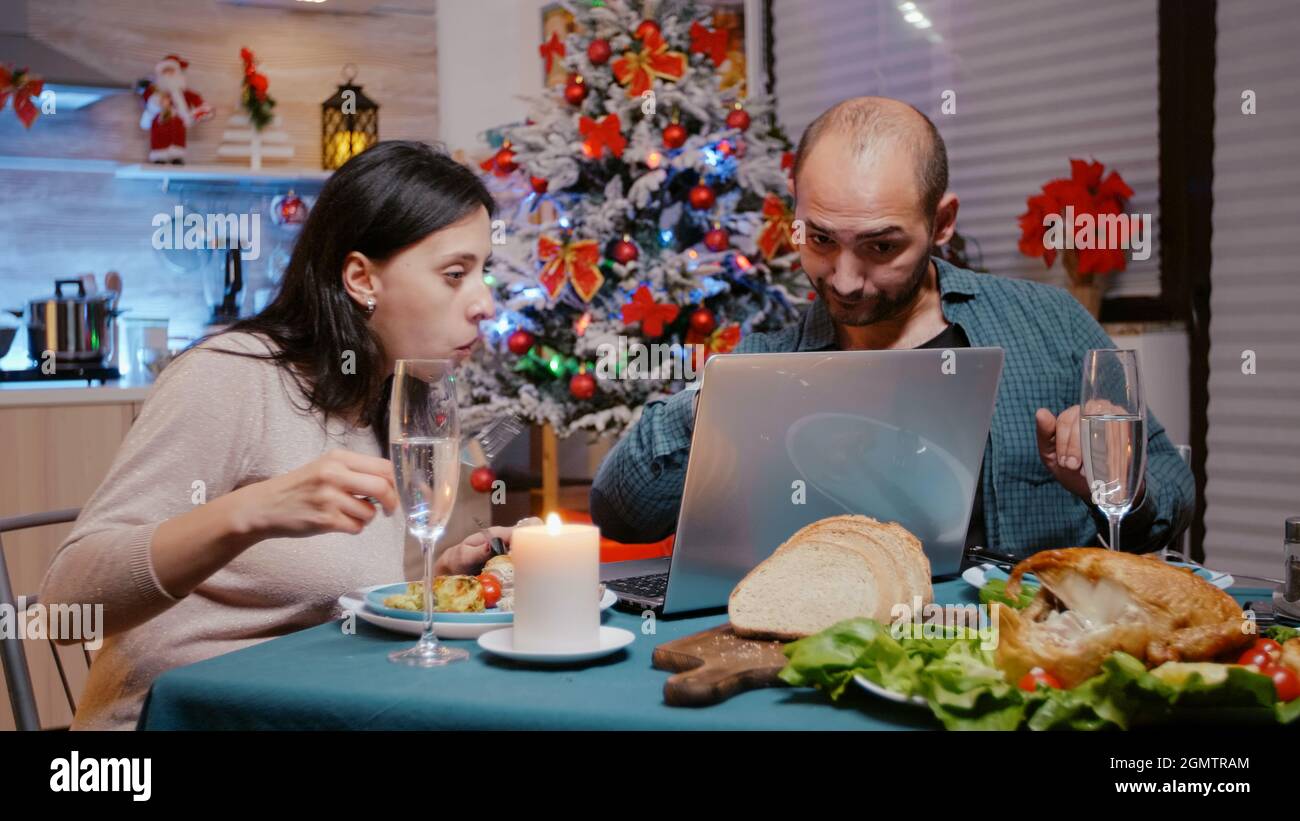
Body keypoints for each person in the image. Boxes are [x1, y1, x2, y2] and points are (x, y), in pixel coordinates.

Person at [40, 141, 535, 729]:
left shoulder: (394, 396)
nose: (484, 303)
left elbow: (336, 594)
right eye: (455, 274)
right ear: (360, 278)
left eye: (483, 273)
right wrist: (248, 512)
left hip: (310, 710)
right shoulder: (232, 373)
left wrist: (445, 582)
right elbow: (66, 607)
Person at [590, 96, 1193, 558]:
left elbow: (1174, 489)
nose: (846, 280)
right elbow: (620, 511)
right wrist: (713, 402)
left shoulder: (1047, 323)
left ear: (943, 221)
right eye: (821, 240)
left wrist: (1111, 485)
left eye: (882, 246)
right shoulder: (769, 355)